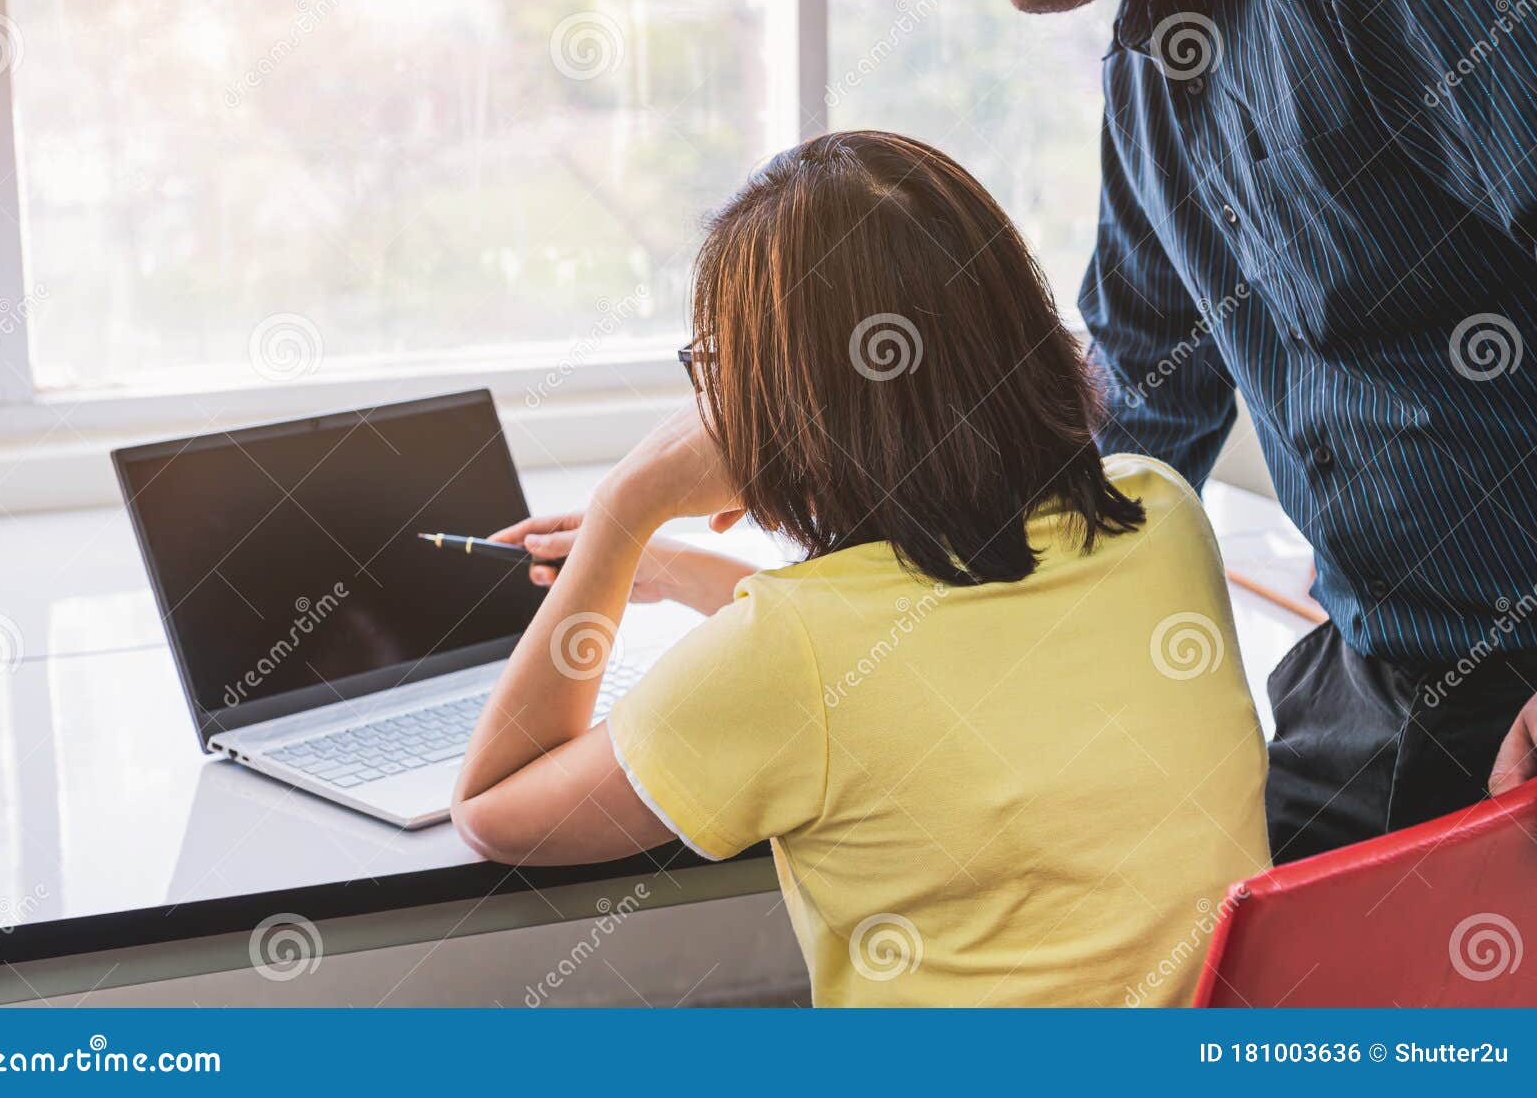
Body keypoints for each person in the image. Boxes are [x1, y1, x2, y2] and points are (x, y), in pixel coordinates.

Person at [449, 130, 1267, 1006]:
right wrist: (682, 572)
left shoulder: (790, 654)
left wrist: (623, 513)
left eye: (721, 368)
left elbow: (495, 807)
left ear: (791, 401)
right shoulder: (1162, 511)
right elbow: (916, 654)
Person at [974, 0, 1537, 860]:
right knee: (1225, 954)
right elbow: (1142, 403)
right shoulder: (1143, 75)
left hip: (1520, 681)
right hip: (1370, 663)